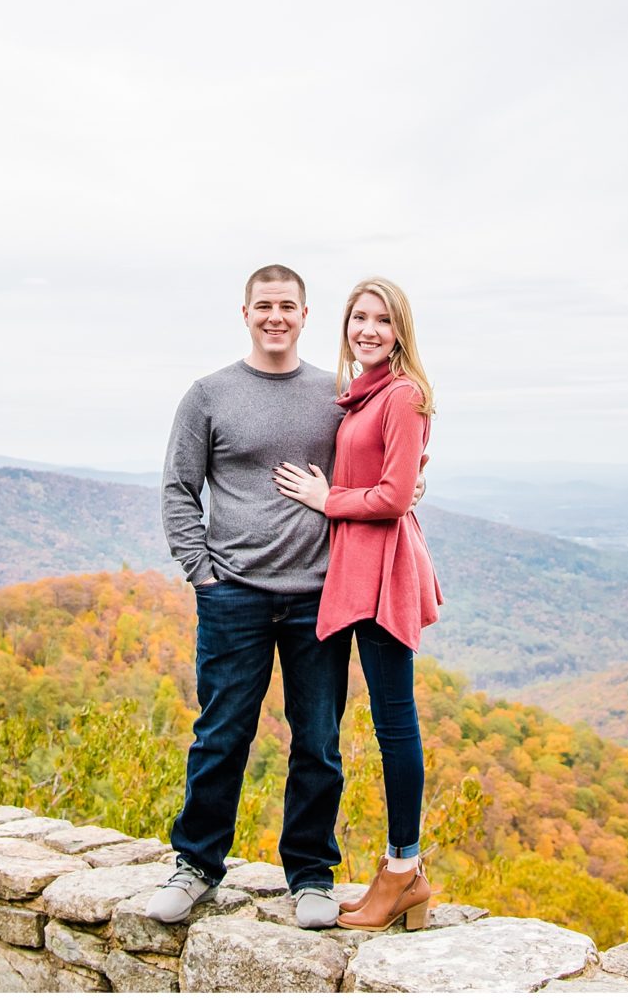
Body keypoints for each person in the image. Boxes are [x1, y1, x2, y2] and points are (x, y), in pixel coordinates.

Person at [147, 264, 423, 931]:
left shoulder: (338, 394)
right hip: (233, 594)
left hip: (318, 596)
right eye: (264, 305)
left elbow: (380, 461)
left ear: (305, 315)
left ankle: (309, 874)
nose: (276, 316)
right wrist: (201, 572)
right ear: (245, 313)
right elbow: (179, 488)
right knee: (221, 735)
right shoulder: (208, 395)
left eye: (288, 306)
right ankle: (196, 865)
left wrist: (409, 490)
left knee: (318, 742)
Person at [274, 276, 442, 932]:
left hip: (383, 574)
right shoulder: (363, 395)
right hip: (354, 572)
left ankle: (403, 870)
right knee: (366, 723)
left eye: (381, 320)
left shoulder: (401, 394)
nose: (367, 329)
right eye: (358, 319)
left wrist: (327, 499)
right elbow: (395, 477)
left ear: (400, 330)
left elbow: (394, 497)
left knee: (394, 722)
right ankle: (400, 872)